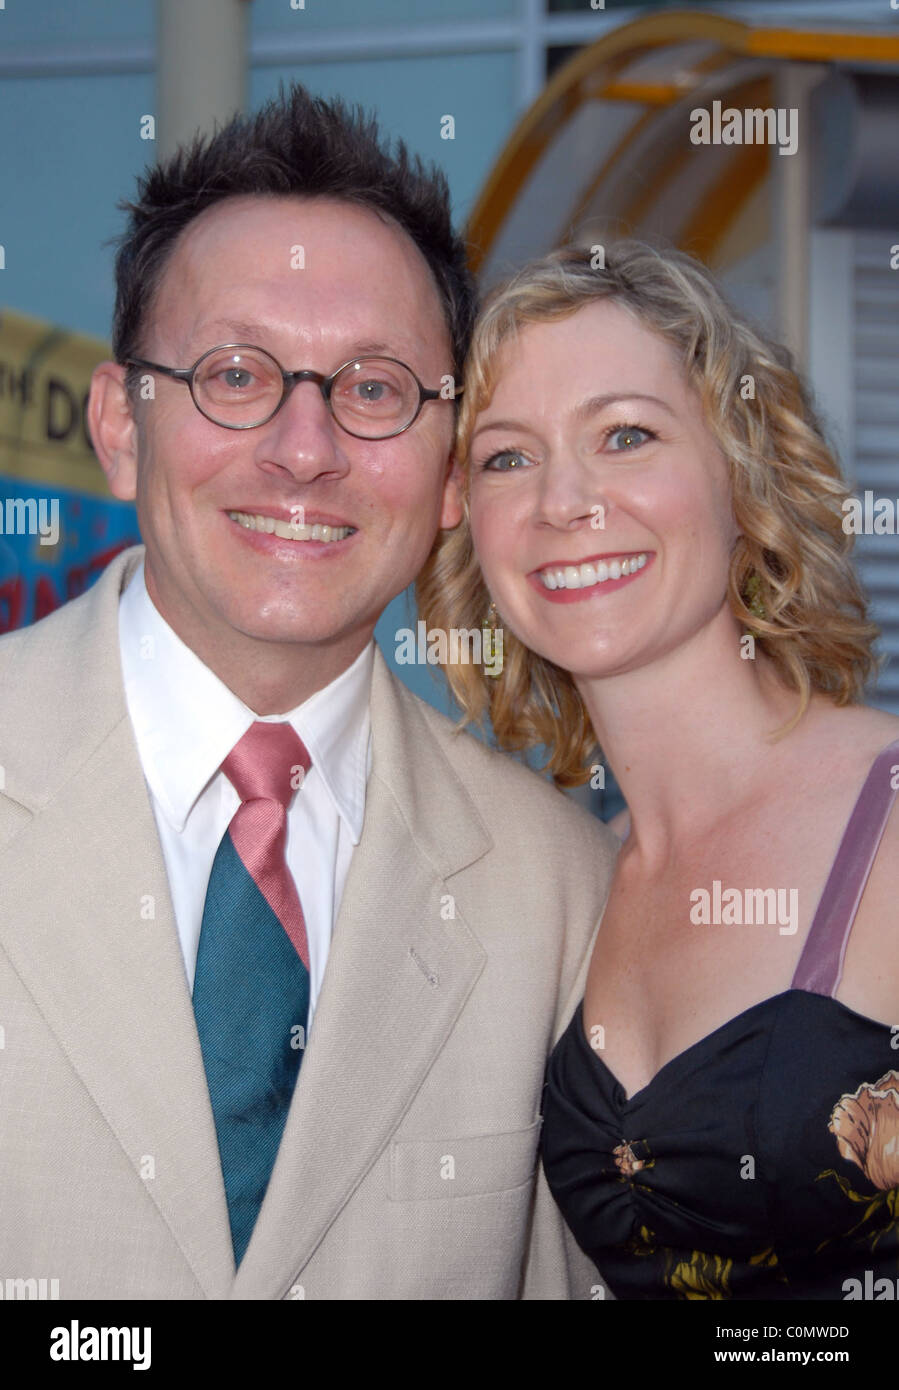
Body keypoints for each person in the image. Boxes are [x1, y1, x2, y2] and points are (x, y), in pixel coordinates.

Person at [0, 87, 618, 1301]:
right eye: (235, 374)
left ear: (450, 469)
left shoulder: (557, 887)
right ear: (121, 425)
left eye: (376, 388)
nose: (303, 448)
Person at [418, 239, 899, 1299]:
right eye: (506, 456)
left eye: (624, 435)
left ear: (743, 473)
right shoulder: (564, 877)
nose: (563, 500)